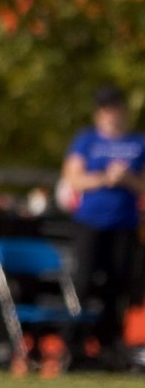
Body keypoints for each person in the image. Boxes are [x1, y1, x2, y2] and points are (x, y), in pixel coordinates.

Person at [61, 85, 144, 368]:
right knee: (82, 281)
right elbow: (73, 178)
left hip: (124, 225)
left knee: (117, 285)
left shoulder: (138, 142)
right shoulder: (86, 140)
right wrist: (104, 178)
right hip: (89, 223)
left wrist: (127, 179)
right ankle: (73, 343)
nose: (110, 114)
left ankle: (109, 345)